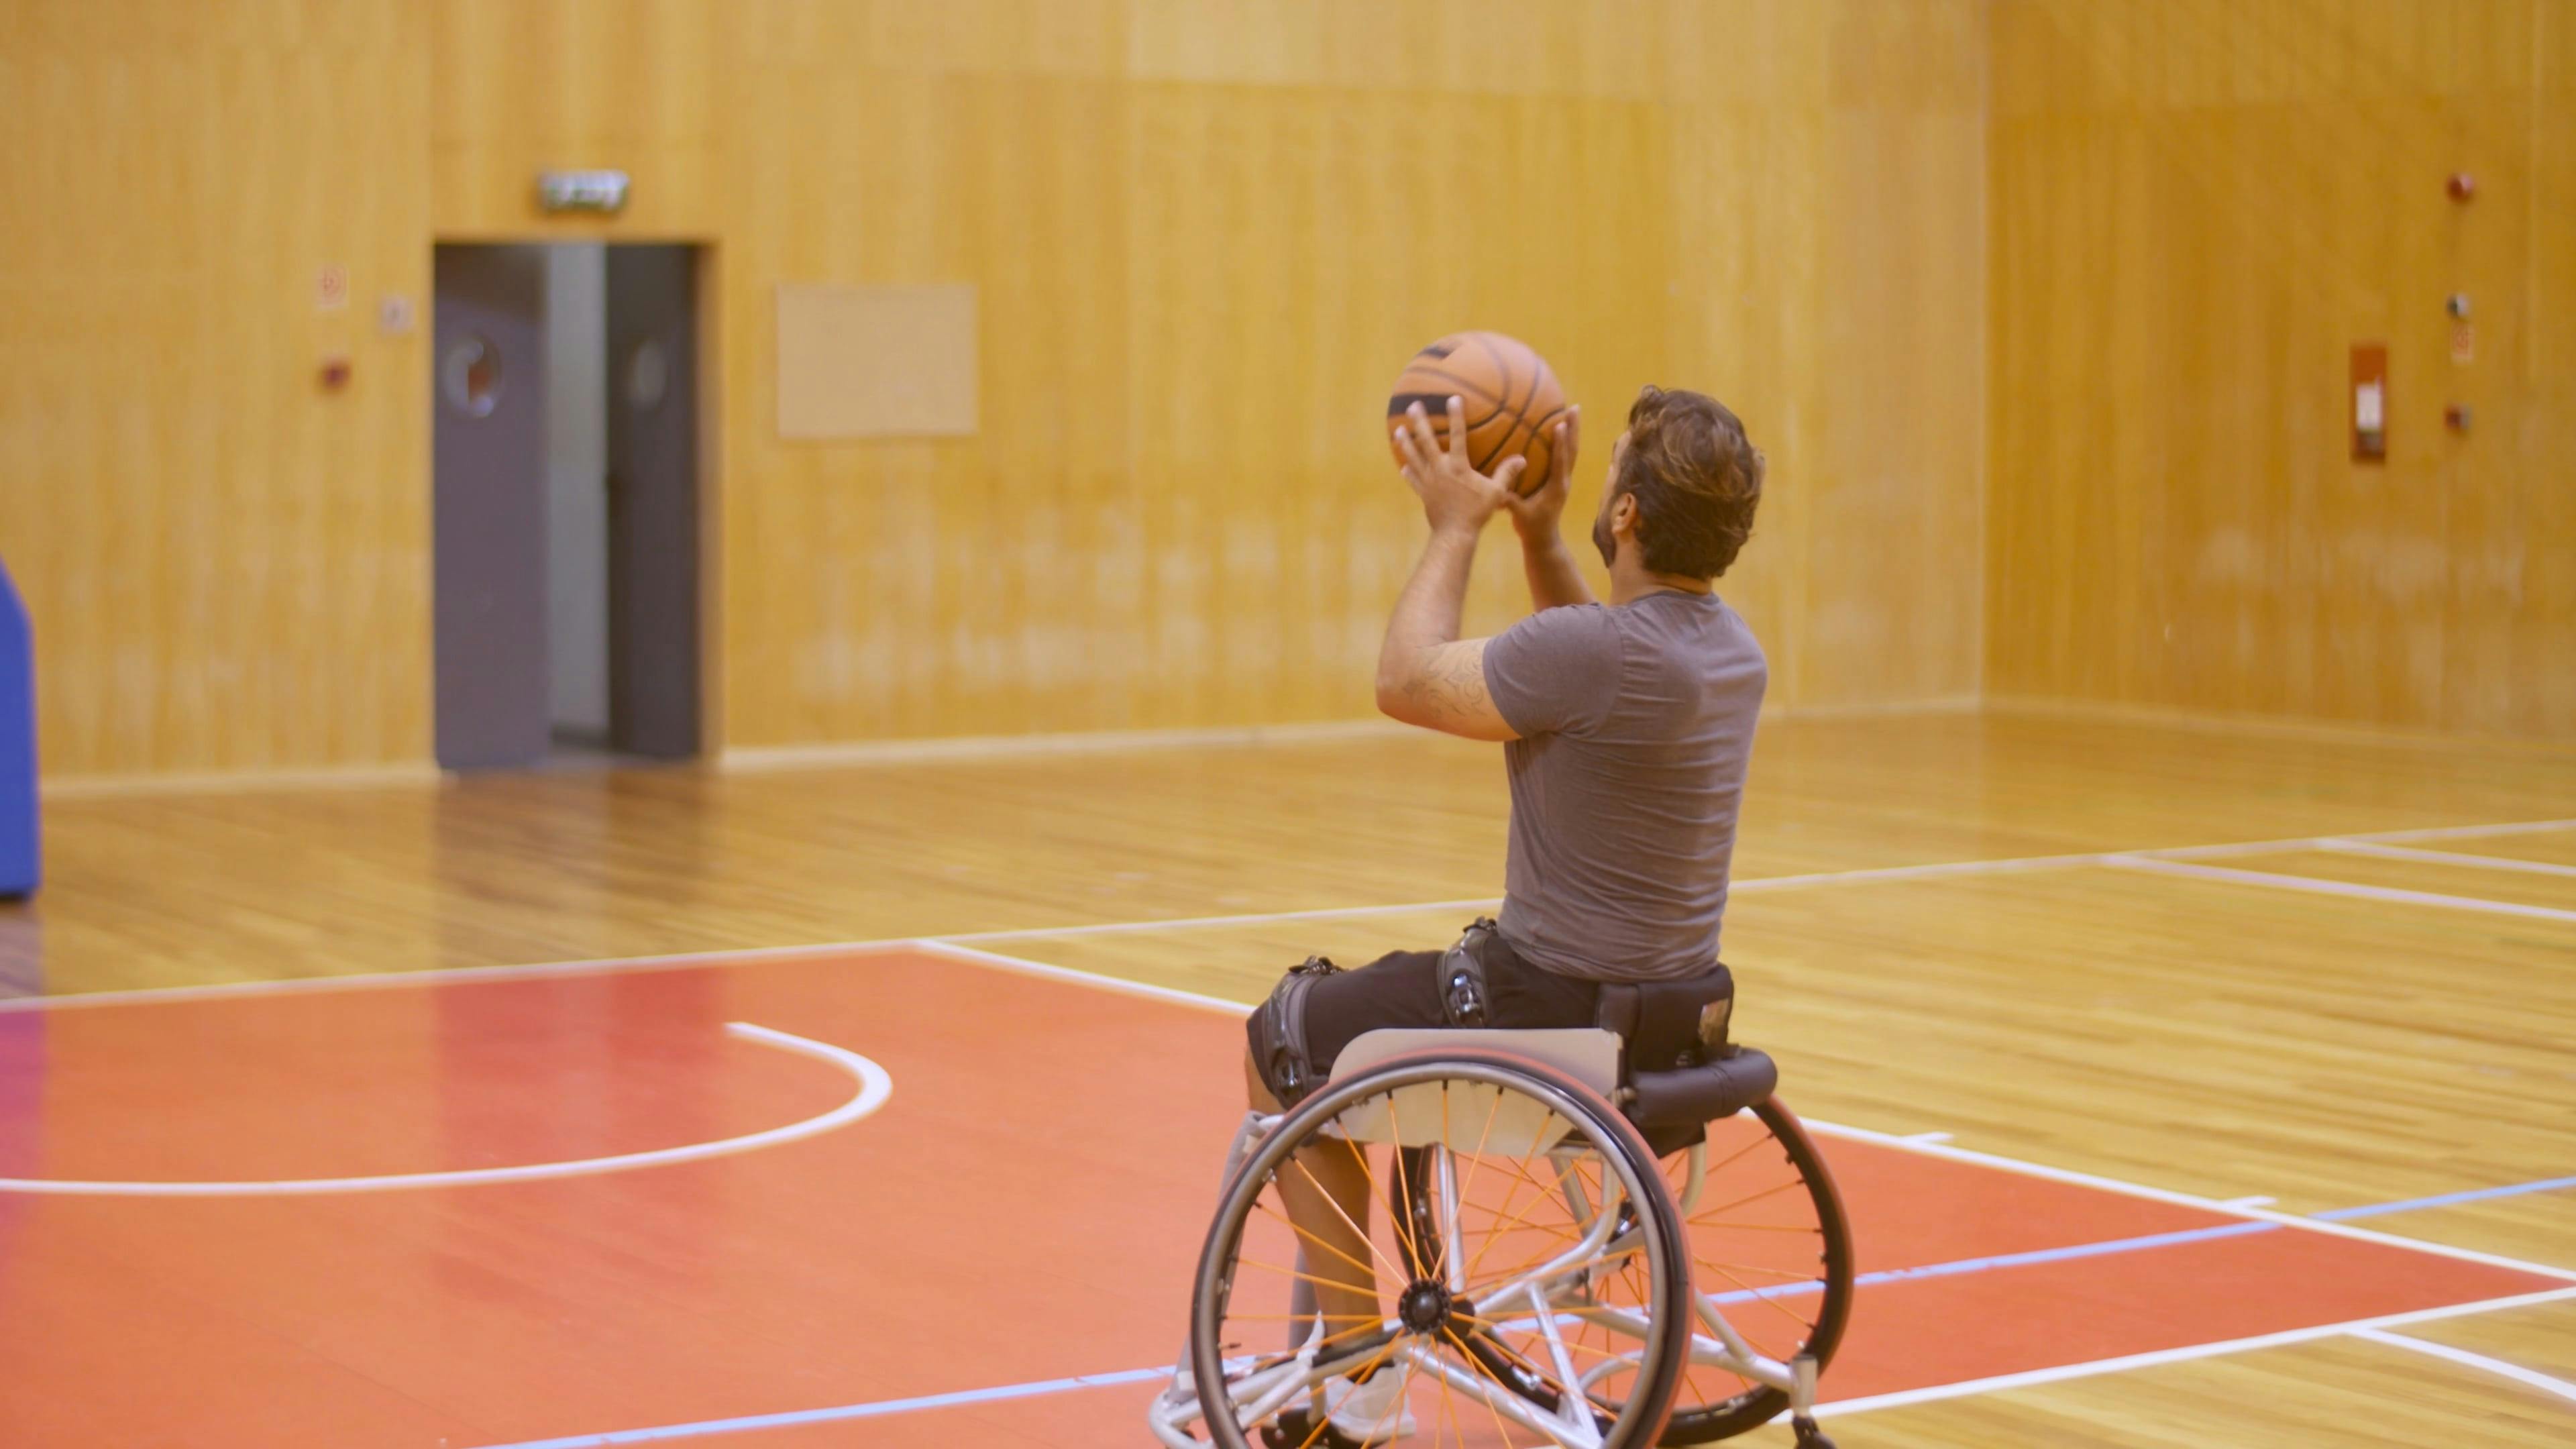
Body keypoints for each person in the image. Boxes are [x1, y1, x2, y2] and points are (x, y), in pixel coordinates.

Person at [1240, 384, 1768, 1441]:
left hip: (1540, 1009)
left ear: (1625, 511)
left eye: (1613, 462)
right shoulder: (1727, 653)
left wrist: (1457, 526)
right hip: (1665, 1021)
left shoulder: (1592, 654)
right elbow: (1591, 648)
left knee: (1280, 1038)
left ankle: (1355, 1377)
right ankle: (1349, 1360)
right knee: (1353, 1013)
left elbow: (1405, 679)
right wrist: (1540, 528)